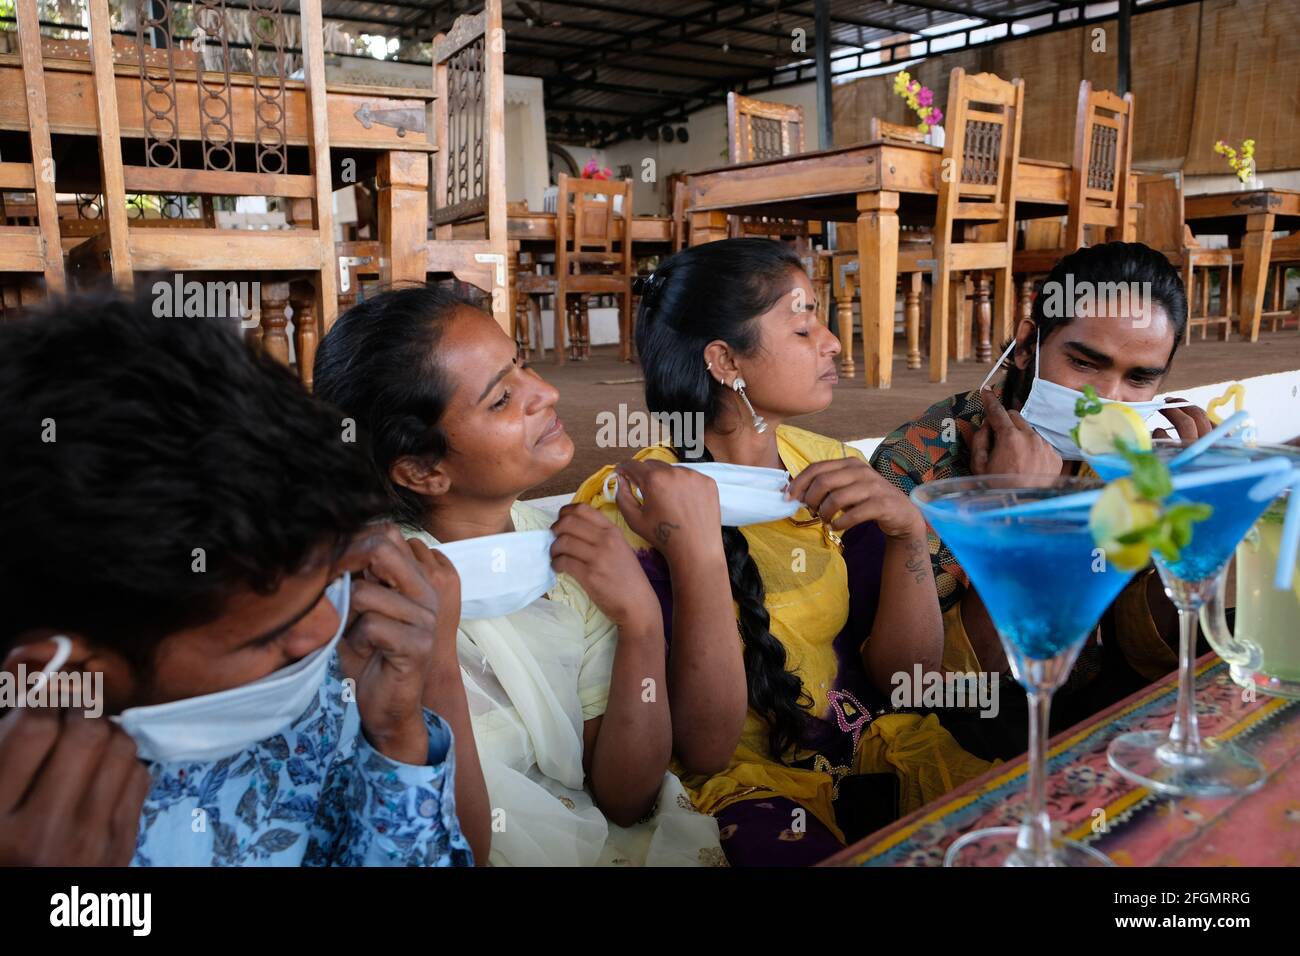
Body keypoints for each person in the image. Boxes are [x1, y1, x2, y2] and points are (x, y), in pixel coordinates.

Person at [0, 293, 487, 866]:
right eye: (265, 638)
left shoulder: (320, 676)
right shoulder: (38, 840)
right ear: (59, 677)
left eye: (333, 577)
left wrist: (397, 735)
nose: (328, 628)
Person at [572, 239, 991, 866]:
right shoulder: (640, 504)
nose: (833, 344)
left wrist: (907, 532)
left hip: (878, 743)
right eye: (802, 328)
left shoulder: (833, 467)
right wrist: (699, 559)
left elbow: (911, 683)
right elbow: (708, 750)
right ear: (725, 362)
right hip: (744, 787)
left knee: (1022, 832)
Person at [313, 285, 723, 866]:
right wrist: (434, 664)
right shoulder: (374, 598)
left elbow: (627, 799)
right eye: (502, 399)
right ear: (423, 470)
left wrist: (641, 622)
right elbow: (456, 849)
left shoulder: (567, 547)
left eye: (522, 363)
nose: (547, 392)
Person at [871, 242, 1213, 751]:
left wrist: (1193, 524)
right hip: (977, 722)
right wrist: (1015, 514)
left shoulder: (1144, 454)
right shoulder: (919, 463)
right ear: (1028, 344)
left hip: (1096, 701)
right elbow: (940, 688)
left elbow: (1152, 649)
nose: (1107, 399)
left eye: (1139, 377)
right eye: (1084, 363)